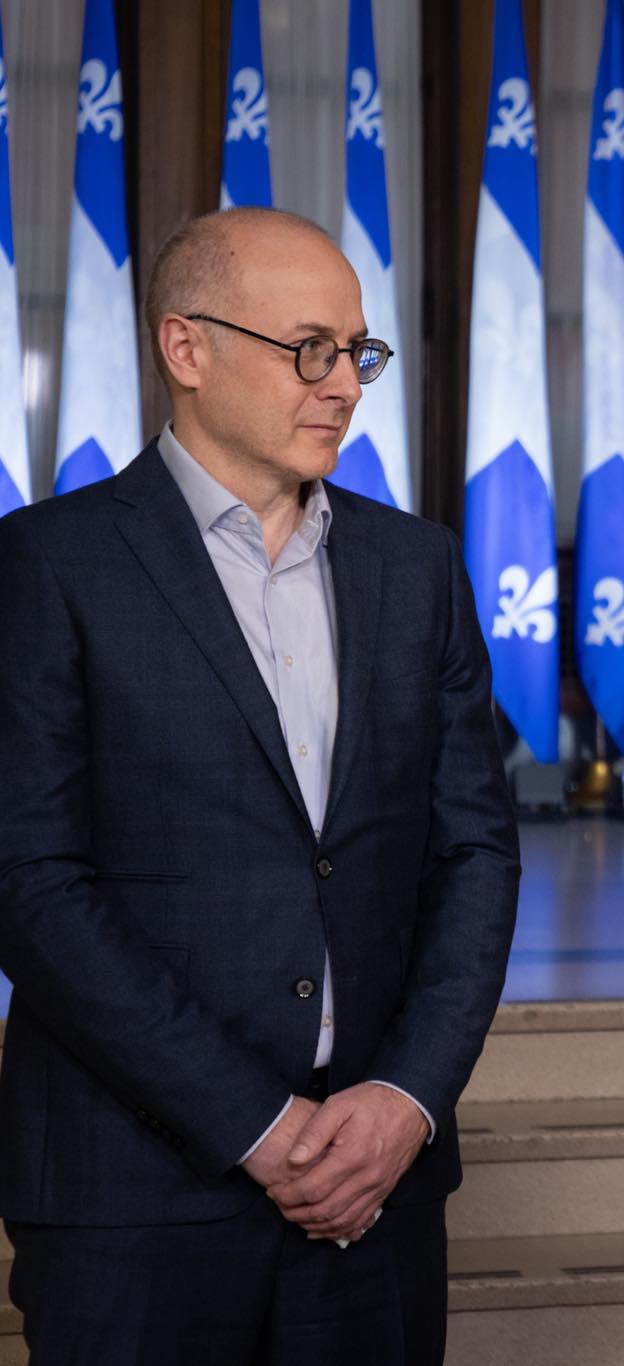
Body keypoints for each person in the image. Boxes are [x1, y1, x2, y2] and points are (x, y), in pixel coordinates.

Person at [0, 207, 520, 1363]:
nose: (342, 384)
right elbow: (31, 883)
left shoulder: (418, 565)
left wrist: (407, 1096)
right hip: (134, 1200)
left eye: (357, 352)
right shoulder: (45, 566)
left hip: (376, 1192)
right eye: (308, 349)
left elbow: (474, 851)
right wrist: (254, 1122)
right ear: (187, 349)